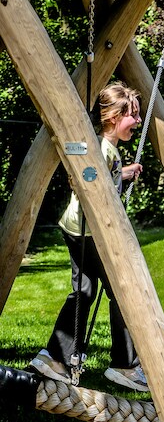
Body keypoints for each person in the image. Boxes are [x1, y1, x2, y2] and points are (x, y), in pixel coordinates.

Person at [31, 82, 148, 392]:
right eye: (132, 116)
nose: (136, 122)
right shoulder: (101, 149)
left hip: (74, 228)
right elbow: (90, 184)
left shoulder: (103, 148)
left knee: (83, 291)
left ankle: (55, 356)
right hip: (91, 231)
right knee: (124, 294)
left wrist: (122, 173)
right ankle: (125, 365)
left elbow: (99, 176)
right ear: (111, 116)